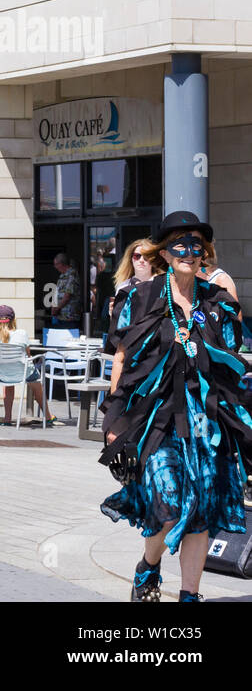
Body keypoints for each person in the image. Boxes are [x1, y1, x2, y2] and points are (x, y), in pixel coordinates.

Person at [100, 211, 250, 603]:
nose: (188, 252)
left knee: (199, 507)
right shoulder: (141, 296)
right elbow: (121, 358)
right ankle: (149, 565)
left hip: (206, 422)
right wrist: (115, 417)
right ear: (164, 254)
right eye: (180, 245)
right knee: (166, 503)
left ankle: (189, 596)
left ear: (205, 253)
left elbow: (233, 358)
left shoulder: (217, 300)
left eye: (196, 245)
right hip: (156, 420)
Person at [51, 253, 82, 329]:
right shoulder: (62, 276)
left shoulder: (72, 274)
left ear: (61, 264)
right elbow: (57, 293)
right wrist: (53, 308)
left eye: (56, 265)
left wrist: (57, 308)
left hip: (69, 317)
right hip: (60, 316)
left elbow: (67, 296)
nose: (55, 267)